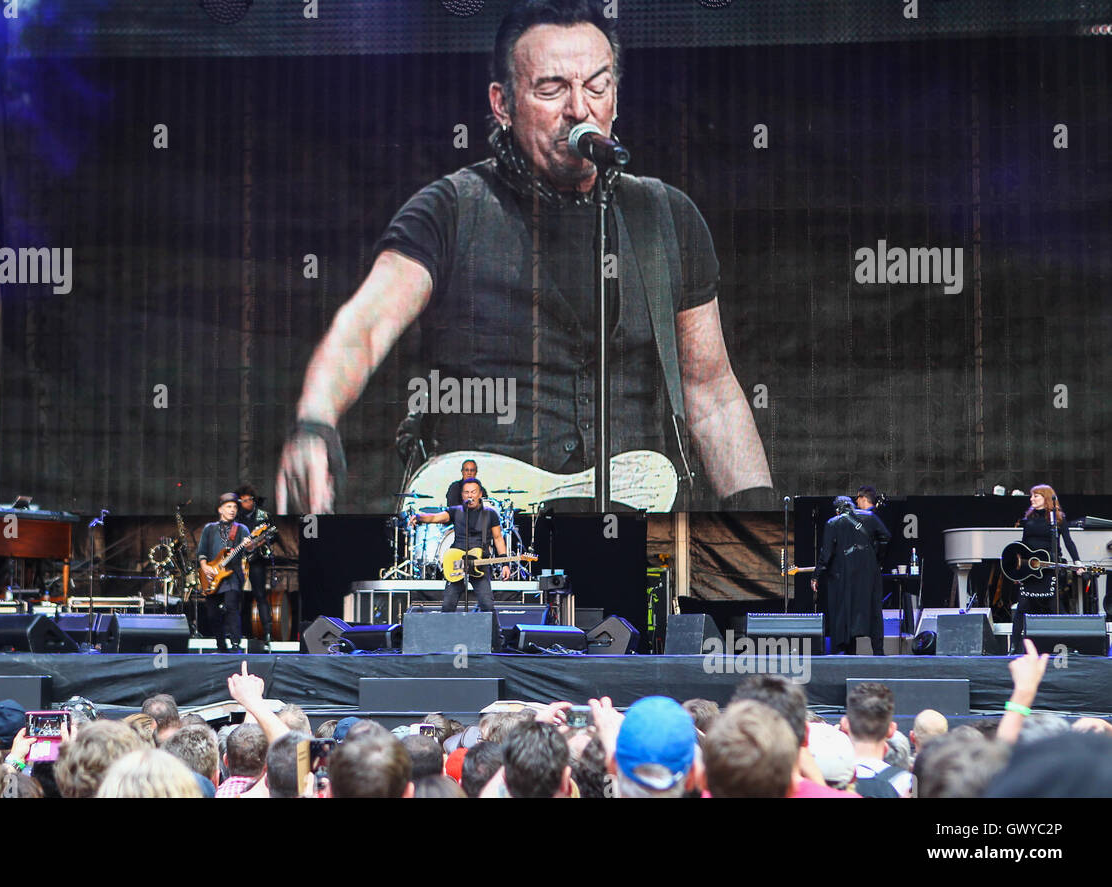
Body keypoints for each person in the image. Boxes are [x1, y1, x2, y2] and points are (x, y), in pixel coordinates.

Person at [277, 0, 771, 514]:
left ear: (615, 97)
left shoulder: (666, 217)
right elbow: (366, 326)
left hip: (632, 525)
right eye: (551, 88)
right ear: (503, 104)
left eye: (597, 86)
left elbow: (710, 392)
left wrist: (761, 530)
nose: (579, 108)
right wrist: (315, 422)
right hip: (488, 531)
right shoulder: (451, 210)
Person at [412, 478, 509, 612]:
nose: (470, 495)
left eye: (473, 492)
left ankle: (496, 633)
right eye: (466, 492)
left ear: (480, 494)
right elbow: (435, 517)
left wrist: (505, 564)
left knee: (487, 605)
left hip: (480, 563)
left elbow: (498, 539)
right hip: (457, 562)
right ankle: (446, 632)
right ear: (462, 495)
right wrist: (419, 517)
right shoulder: (456, 511)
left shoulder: (490, 514)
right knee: (448, 605)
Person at [812, 495, 890, 655]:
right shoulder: (870, 517)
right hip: (870, 573)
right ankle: (878, 650)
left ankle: (846, 651)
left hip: (843, 575)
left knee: (844, 609)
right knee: (873, 609)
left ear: (837, 510)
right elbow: (885, 537)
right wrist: (876, 558)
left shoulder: (833, 523)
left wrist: (816, 575)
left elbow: (826, 554)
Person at [197, 492, 258, 652]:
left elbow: (249, 553)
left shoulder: (241, 529)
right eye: (229, 507)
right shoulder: (209, 529)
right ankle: (221, 645)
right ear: (220, 509)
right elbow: (201, 552)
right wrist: (205, 567)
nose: (232, 510)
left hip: (232, 575)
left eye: (235, 507)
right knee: (212, 613)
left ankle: (236, 644)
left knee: (232, 608)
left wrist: (250, 546)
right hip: (211, 576)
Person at [1012, 484, 1081, 625]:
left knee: (1054, 604)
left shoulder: (1058, 519)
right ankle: (1014, 645)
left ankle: (1069, 638)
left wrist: (1077, 561)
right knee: (1022, 606)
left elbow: (1068, 542)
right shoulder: (1028, 519)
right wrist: (1018, 570)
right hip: (1030, 569)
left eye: (1035, 496)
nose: (1032, 499)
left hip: (1049, 568)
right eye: (1031, 496)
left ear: (1046, 498)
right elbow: (1023, 544)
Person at [234, 485, 273, 645]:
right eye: (242, 500)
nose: (246, 503)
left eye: (248, 499)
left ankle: (268, 633)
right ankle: (241, 633)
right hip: (239, 561)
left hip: (257, 560)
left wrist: (256, 544)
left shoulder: (263, 515)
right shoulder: (236, 517)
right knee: (239, 597)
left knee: (260, 595)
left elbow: (273, 535)